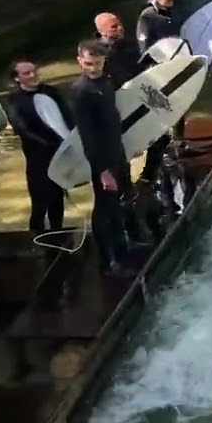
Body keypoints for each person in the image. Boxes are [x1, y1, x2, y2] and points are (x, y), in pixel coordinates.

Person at [68, 40, 133, 277]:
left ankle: (122, 247)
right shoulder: (80, 92)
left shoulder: (105, 82)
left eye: (97, 63)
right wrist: (103, 170)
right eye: (88, 63)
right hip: (101, 160)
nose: (93, 68)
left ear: (104, 61)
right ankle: (108, 262)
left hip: (116, 151)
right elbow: (88, 136)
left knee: (116, 206)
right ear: (80, 62)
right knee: (104, 209)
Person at [3, 60, 72, 236]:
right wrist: (48, 144)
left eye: (34, 71)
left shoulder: (52, 92)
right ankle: (36, 239)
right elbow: (22, 129)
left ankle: (58, 234)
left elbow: (68, 117)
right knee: (40, 201)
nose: (33, 75)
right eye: (26, 73)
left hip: (61, 153)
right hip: (38, 158)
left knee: (58, 198)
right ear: (17, 78)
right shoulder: (14, 100)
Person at [136, 0, 185, 184]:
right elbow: (145, 52)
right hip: (159, 73)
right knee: (163, 111)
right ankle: (162, 153)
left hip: (176, 68)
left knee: (181, 106)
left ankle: (179, 143)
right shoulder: (147, 19)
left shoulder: (168, 13)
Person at [95, 12, 145, 88]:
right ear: (101, 32)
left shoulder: (131, 44)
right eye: (114, 27)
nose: (120, 28)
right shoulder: (98, 54)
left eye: (119, 24)